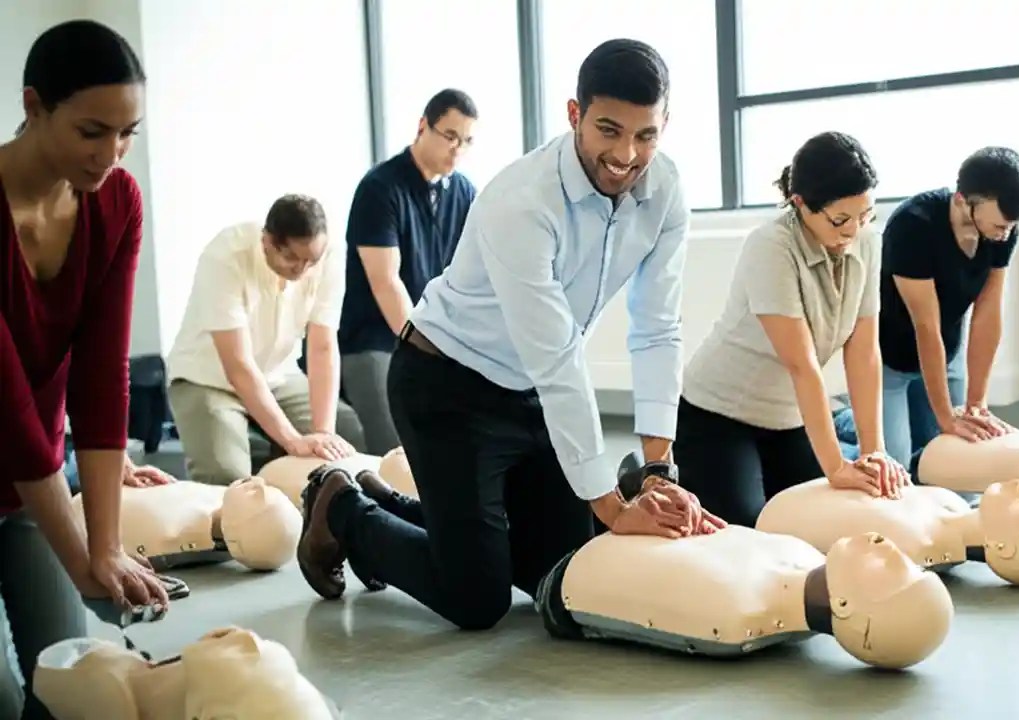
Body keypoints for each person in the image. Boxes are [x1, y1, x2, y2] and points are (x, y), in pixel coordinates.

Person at [296, 38, 724, 630]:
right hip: (446, 384)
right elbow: (557, 360)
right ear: (575, 115)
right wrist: (611, 507)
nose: (626, 154)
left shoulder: (666, 191)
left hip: (526, 390)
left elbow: (657, 328)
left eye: (645, 135)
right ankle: (341, 508)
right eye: (608, 130)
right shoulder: (522, 202)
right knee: (478, 598)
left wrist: (659, 472)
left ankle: (389, 502)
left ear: (665, 125)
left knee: (563, 569)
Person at [0, 19, 169, 719]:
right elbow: (4, 406)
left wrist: (105, 546)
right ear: (35, 106)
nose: (112, 154)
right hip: (19, 443)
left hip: (29, 476)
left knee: (72, 683)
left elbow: (103, 379)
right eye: (93, 131)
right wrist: (80, 559)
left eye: (128, 133)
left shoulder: (117, 201)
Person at [672, 132, 910, 528]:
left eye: (865, 216)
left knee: (822, 520)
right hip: (717, 415)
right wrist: (835, 467)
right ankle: (647, 479)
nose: (853, 231)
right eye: (840, 220)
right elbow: (802, 365)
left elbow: (864, 352)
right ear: (800, 203)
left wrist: (875, 452)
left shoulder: (867, 242)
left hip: (786, 420)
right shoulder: (771, 246)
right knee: (750, 526)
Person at [840, 147, 1019, 466]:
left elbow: (987, 315)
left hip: (946, 355)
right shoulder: (913, 225)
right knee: (896, 464)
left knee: (953, 464)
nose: (1006, 234)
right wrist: (946, 417)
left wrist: (976, 404)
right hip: (889, 360)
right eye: (1000, 225)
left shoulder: (1001, 233)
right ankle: (847, 422)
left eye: (1011, 226)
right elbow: (925, 327)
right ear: (963, 199)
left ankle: (892, 423)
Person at [165, 194, 366, 486]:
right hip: (209, 379)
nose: (303, 270)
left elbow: (322, 346)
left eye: (311, 261)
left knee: (343, 435)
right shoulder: (226, 255)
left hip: (278, 376)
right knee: (229, 477)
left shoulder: (330, 254)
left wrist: (323, 432)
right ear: (267, 241)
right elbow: (238, 366)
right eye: (292, 258)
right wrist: (292, 440)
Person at [338, 89, 479, 454]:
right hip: (374, 341)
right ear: (422, 127)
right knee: (400, 452)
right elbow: (387, 283)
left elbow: (471, 275)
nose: (457, 149)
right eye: (450, 136)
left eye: (466, 141)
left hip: (435, 341)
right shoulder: (380, 188)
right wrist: (424, 348)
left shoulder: (462, 192)